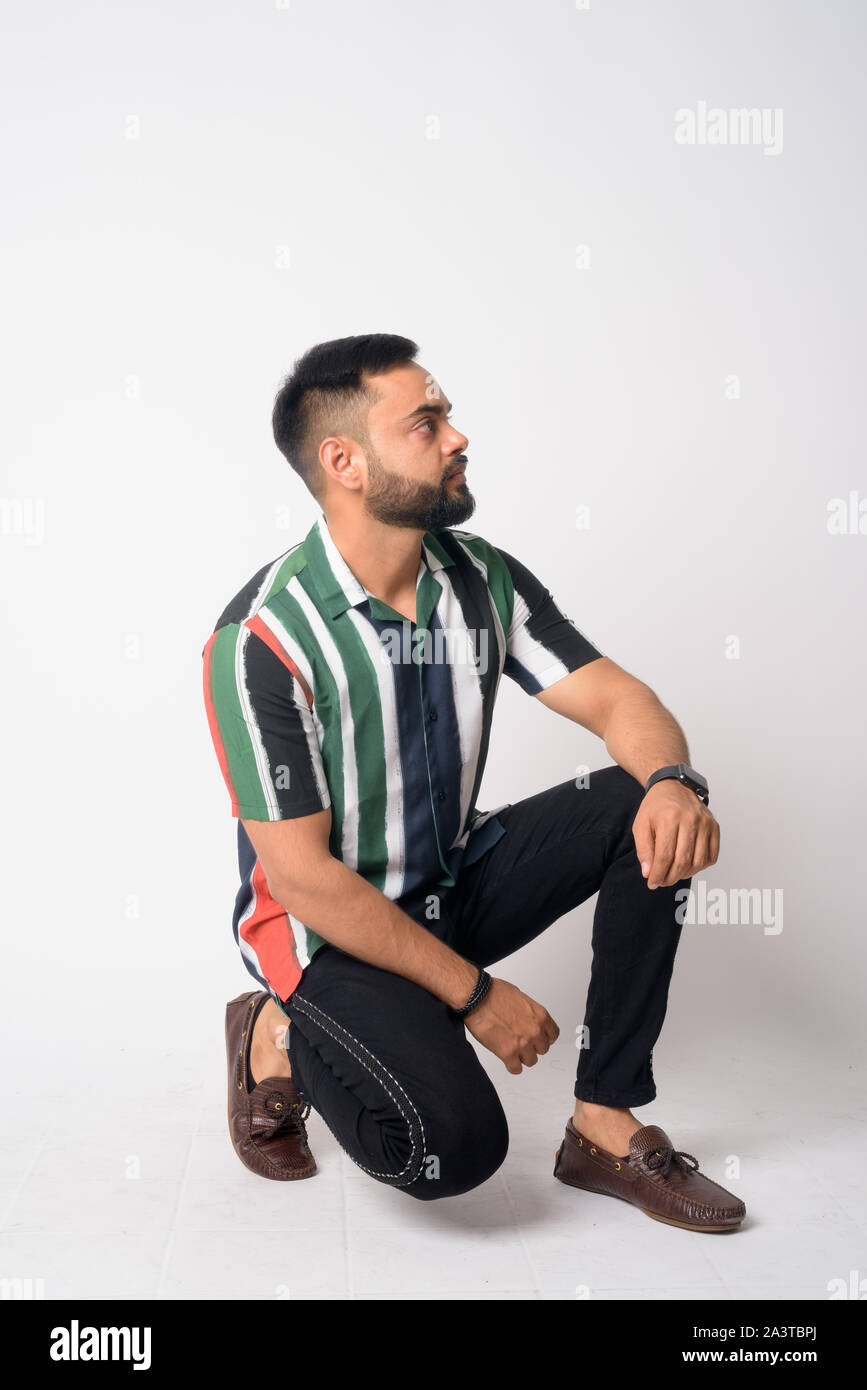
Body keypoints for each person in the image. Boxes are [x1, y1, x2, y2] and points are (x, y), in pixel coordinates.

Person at [202, 333, 745, 1231]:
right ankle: (274, 1029)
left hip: (448, 887)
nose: (457, 438)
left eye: (447, 414)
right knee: (449, 1153)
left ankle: (603, 1121)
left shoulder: (481, 576)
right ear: (344, 460)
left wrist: (675, 780)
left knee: (638, 803)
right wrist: (477, 996)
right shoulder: (262, 640)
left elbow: (619, 702)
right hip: (328, 934)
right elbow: (300, 878)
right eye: (427, 422)